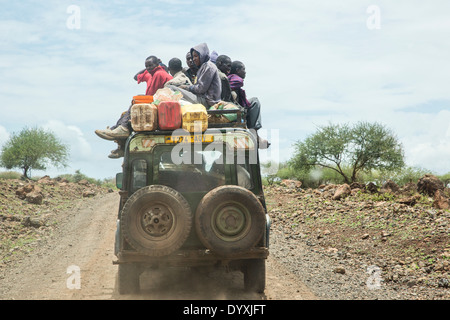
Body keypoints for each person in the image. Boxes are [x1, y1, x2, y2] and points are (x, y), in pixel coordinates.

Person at [95, 55, 173, 158]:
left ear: (157, 64)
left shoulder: (160, 74)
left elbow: (157, 95)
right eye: (147, 66)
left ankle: (121, 129)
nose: (148, 68)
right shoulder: (150, 74)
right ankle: (121, 141)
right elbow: (136, 77)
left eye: (150, 65)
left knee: (136, 103)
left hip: (159, 105)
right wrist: (147, 68)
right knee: (127, 113)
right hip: (152, 103)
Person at [228, 60, 269, 148]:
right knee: (255, 101)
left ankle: (255, 134)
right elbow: (238, 81)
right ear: (237, 70)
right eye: (243, 69)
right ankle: (254, 133)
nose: (245, 72)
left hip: (236, 107)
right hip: (233, 109)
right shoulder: (233, 78)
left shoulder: (230, 78)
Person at [168, 43, 221, 108]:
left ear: (202, 55)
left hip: (208, 101)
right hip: (204, 99)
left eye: (196, 56)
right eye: (193, 57)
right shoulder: (204, 66)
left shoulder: (208, 66)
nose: (194, 59)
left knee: (170, 88)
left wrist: (186, 87)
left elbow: (201, 89)